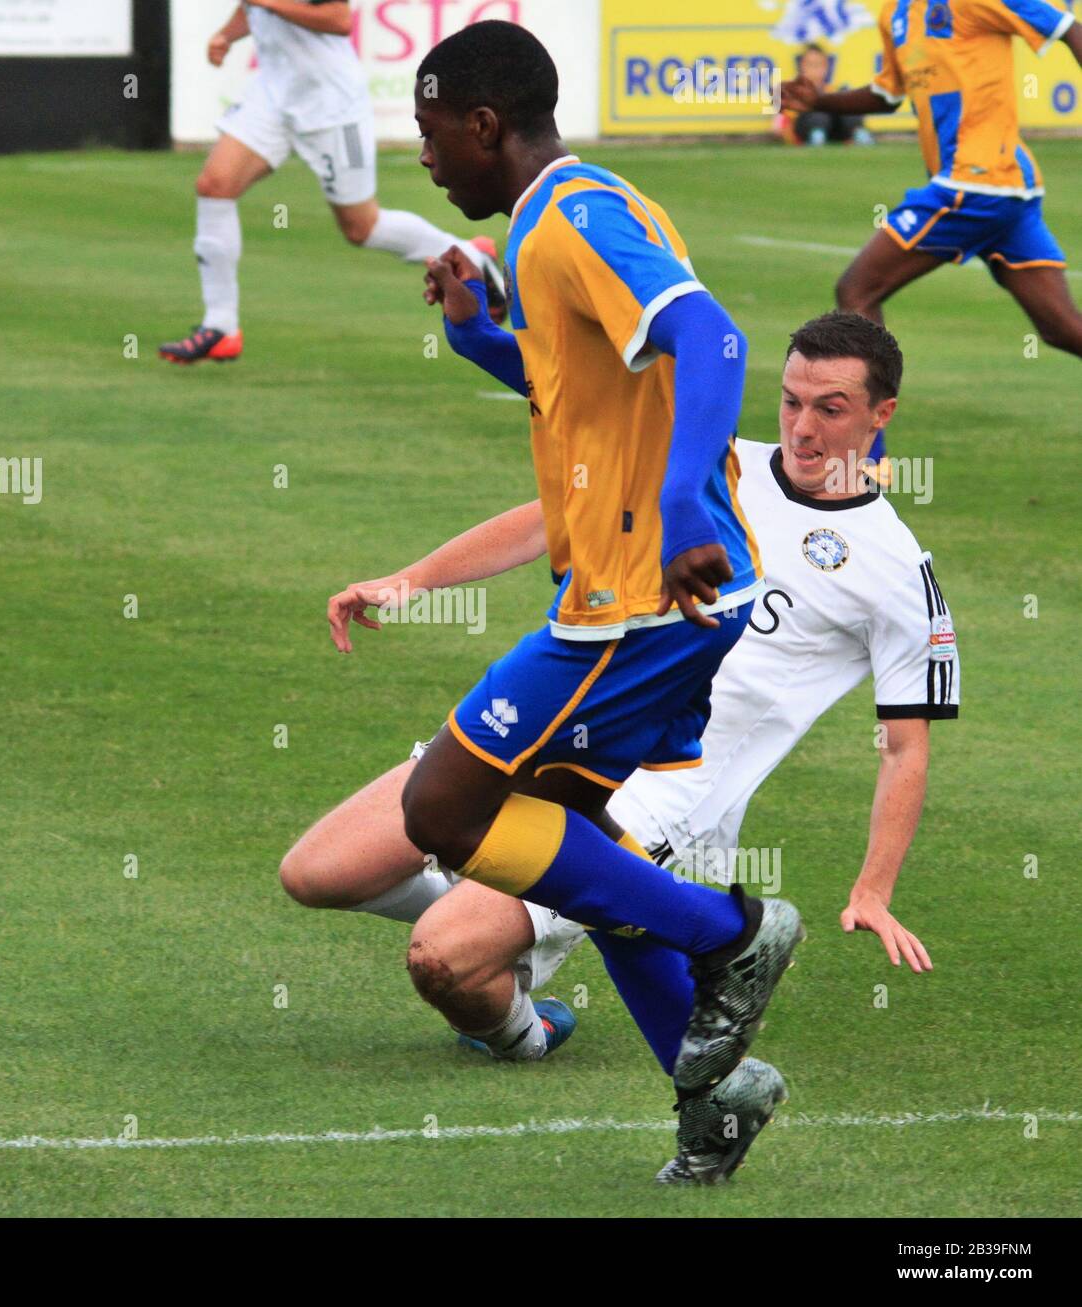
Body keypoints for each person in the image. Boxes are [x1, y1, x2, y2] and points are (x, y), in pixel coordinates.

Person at [301, 19, 808, 1185]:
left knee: (443, 806)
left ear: (486, 125)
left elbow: (709, 334)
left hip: (638, 601)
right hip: (639, 595)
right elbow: (579, 384)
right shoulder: (541, 225)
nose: (424, 160)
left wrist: (684, 498)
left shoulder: (577, 211)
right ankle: (710, 1091)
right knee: (570, 852)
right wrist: (481, 339)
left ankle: (731, 932)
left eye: (432, 138)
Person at [283, 311, 956, 1179]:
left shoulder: (897, 568)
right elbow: (550, 516)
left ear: (881, 415)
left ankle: (527, 1026)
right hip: (559, 720)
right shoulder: (716, 463)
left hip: (666, 795)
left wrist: (874, 887)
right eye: (791, 401)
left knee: (443, 959)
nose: (803, 427)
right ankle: (561, 918)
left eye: (831, 407)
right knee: (317, 872)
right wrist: (411, 578)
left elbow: (905, 745)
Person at [158, 0, 504, 365]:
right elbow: (252, 8)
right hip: (272, 94)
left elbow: (338, 20)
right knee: (215, 185)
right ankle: (221, 327)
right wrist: (227, 36)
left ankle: (470, 254)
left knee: (362, 228)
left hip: (331, 104)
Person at [780, 1, 1082, 363]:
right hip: (1004, 188)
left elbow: (1067, 27)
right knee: (1061, 329)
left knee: (857, 291)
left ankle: (873, 420)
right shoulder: (895, 13)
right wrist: (821, 100)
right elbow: (887, 95)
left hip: (974, 182)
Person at [783, 44, 873, 146]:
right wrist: (796, 142)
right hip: (807, 131)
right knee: (818, 111)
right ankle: (816, 137)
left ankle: (859, 134)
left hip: (835, 132)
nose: (814, 70)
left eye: (818, 65)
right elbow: (782, 126)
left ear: (826, 67)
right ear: (802, 67)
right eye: (810, 65)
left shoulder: (835, 90)